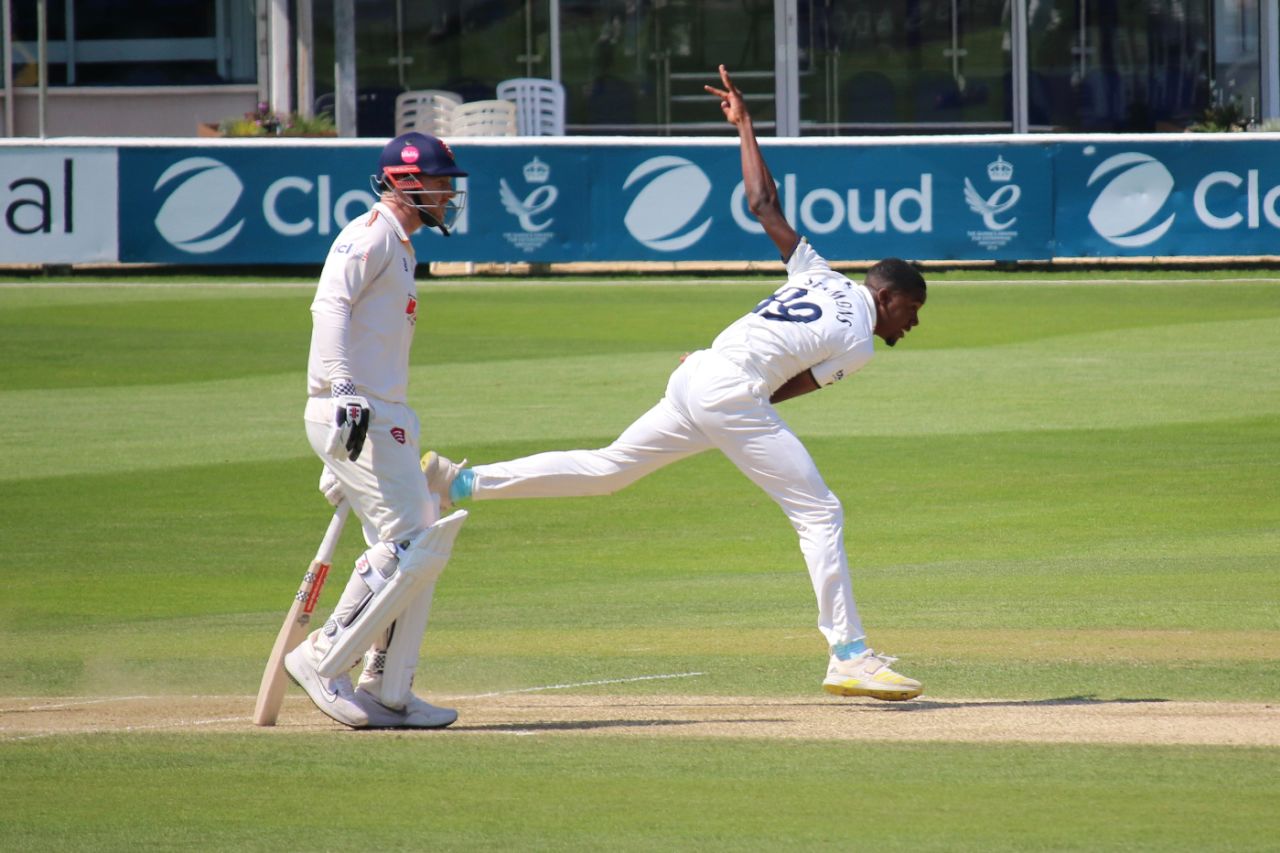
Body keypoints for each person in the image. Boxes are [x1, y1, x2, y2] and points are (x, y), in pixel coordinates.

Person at [423, 65, 927, 701]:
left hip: (697, 376)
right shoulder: (858, 341)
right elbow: (789, 390)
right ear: (889, 295)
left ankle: (460, 481)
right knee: (819, 511)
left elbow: (761, 203)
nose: (912, 325)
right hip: (729, 388)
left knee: (610, 470)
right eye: (914, 311)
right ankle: (848, 654)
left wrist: (745, 124)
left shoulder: (817, 271)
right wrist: (734, 401)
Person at [284, 131, 470, 729]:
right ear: (408, 183)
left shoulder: (402, 244)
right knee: (412, 543)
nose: (447, 193)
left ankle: (390, 689)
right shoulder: (368, 233)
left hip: (380, 415)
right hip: (355, 408)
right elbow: (329, 306)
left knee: (423, 542)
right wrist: (342, 395)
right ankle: (323, 657)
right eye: (440, 182)